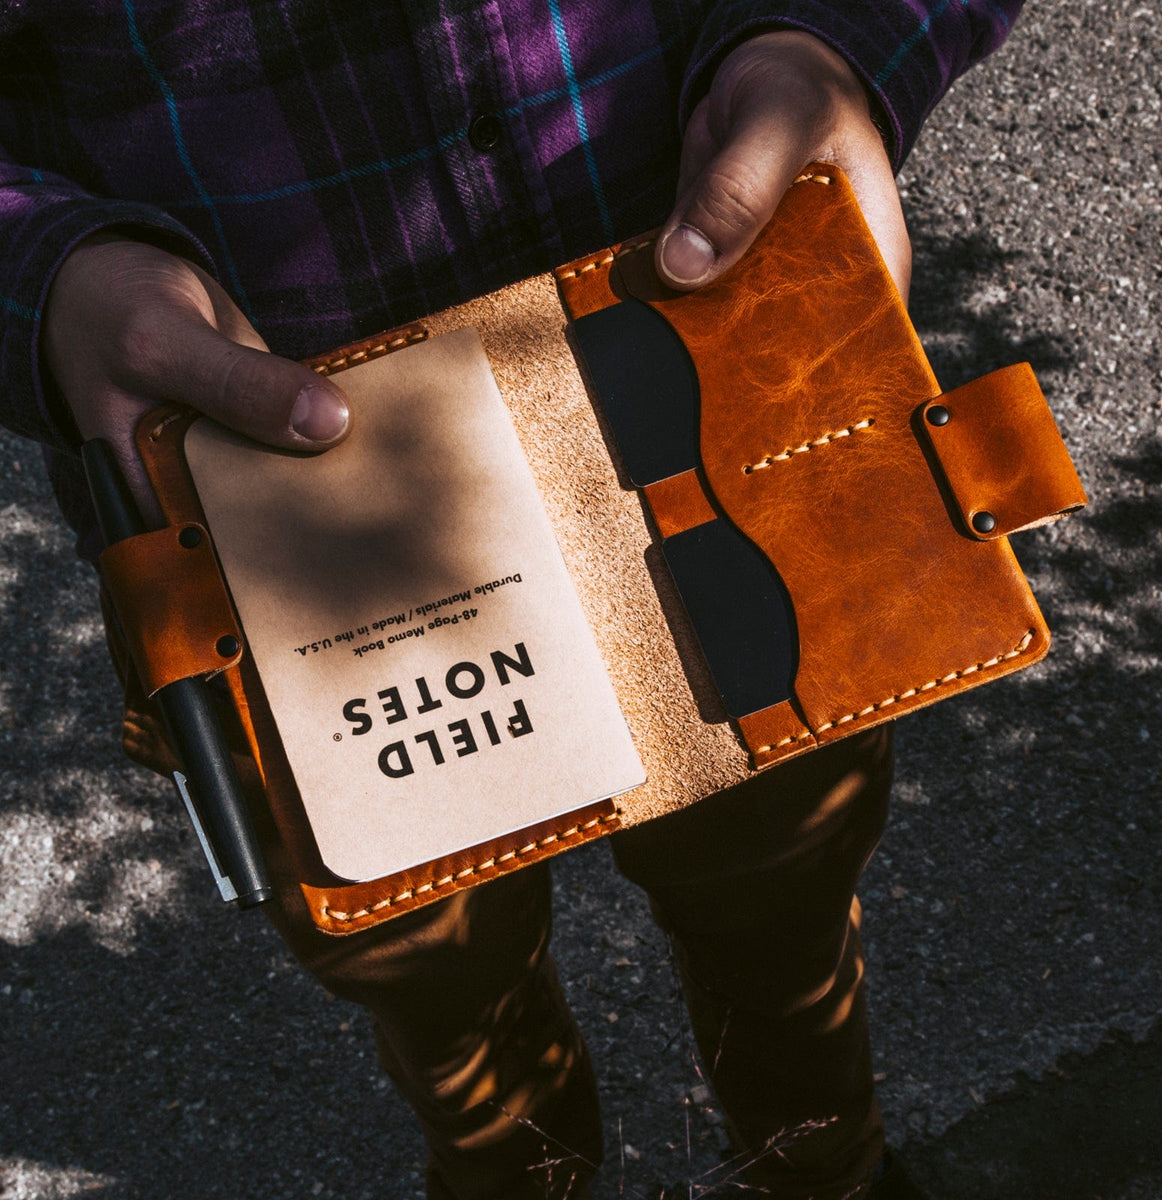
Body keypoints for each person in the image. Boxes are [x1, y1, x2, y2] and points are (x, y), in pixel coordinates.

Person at [0, 3, 1023, 1196]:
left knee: (783, 884)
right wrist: (46, 277)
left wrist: (834, 43)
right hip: (277, 543)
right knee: (438, 980)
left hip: (720, 403)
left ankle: (820, 1173)